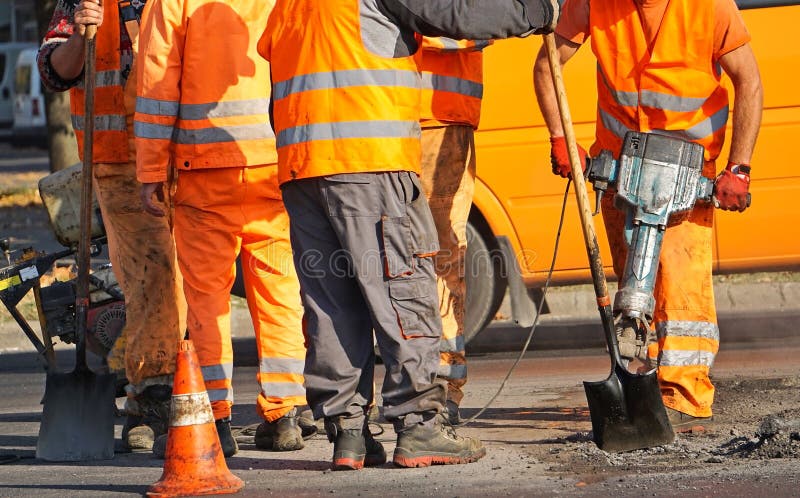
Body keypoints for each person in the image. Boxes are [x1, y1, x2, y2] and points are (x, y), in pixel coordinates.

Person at [258, 0, 559, 470]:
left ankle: (349, 436)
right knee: (404, 290)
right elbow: (459, 14)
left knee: (333, 306)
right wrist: (540, 10)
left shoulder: (288, 6)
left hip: (302, 169)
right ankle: (419, 427)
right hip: (369, 160)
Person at [533, 0, 762, 429]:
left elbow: (748, 80)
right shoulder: (594, 3)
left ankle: (684, 397)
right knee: (636, 290)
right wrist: (561, 138)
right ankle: (645, 391)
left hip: (686, 173)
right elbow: (547, 64)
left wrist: (738, 168)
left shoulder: (709, 7)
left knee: (680, 289)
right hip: (622, 167)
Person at [135, 0, 311, 456]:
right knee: (278, 292)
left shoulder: (171, 2)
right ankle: (285, 412)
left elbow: (156, 80)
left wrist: (151, 171)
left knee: (207, 299)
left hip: (203, 171)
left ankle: (216, 418)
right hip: (274, 162)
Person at [38, 0, 187, 452]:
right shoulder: (84, 2)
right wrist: (81, 37)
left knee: (203, 273)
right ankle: (153, 397)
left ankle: (238, 400)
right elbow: (53, 70)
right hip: (118, 158)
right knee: (152, 275)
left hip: (191, 147)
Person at [415, 36, 491, 425]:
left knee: (440, 257)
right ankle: (432, 387)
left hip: (434, 116)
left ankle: (441, 386)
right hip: (399, 116)